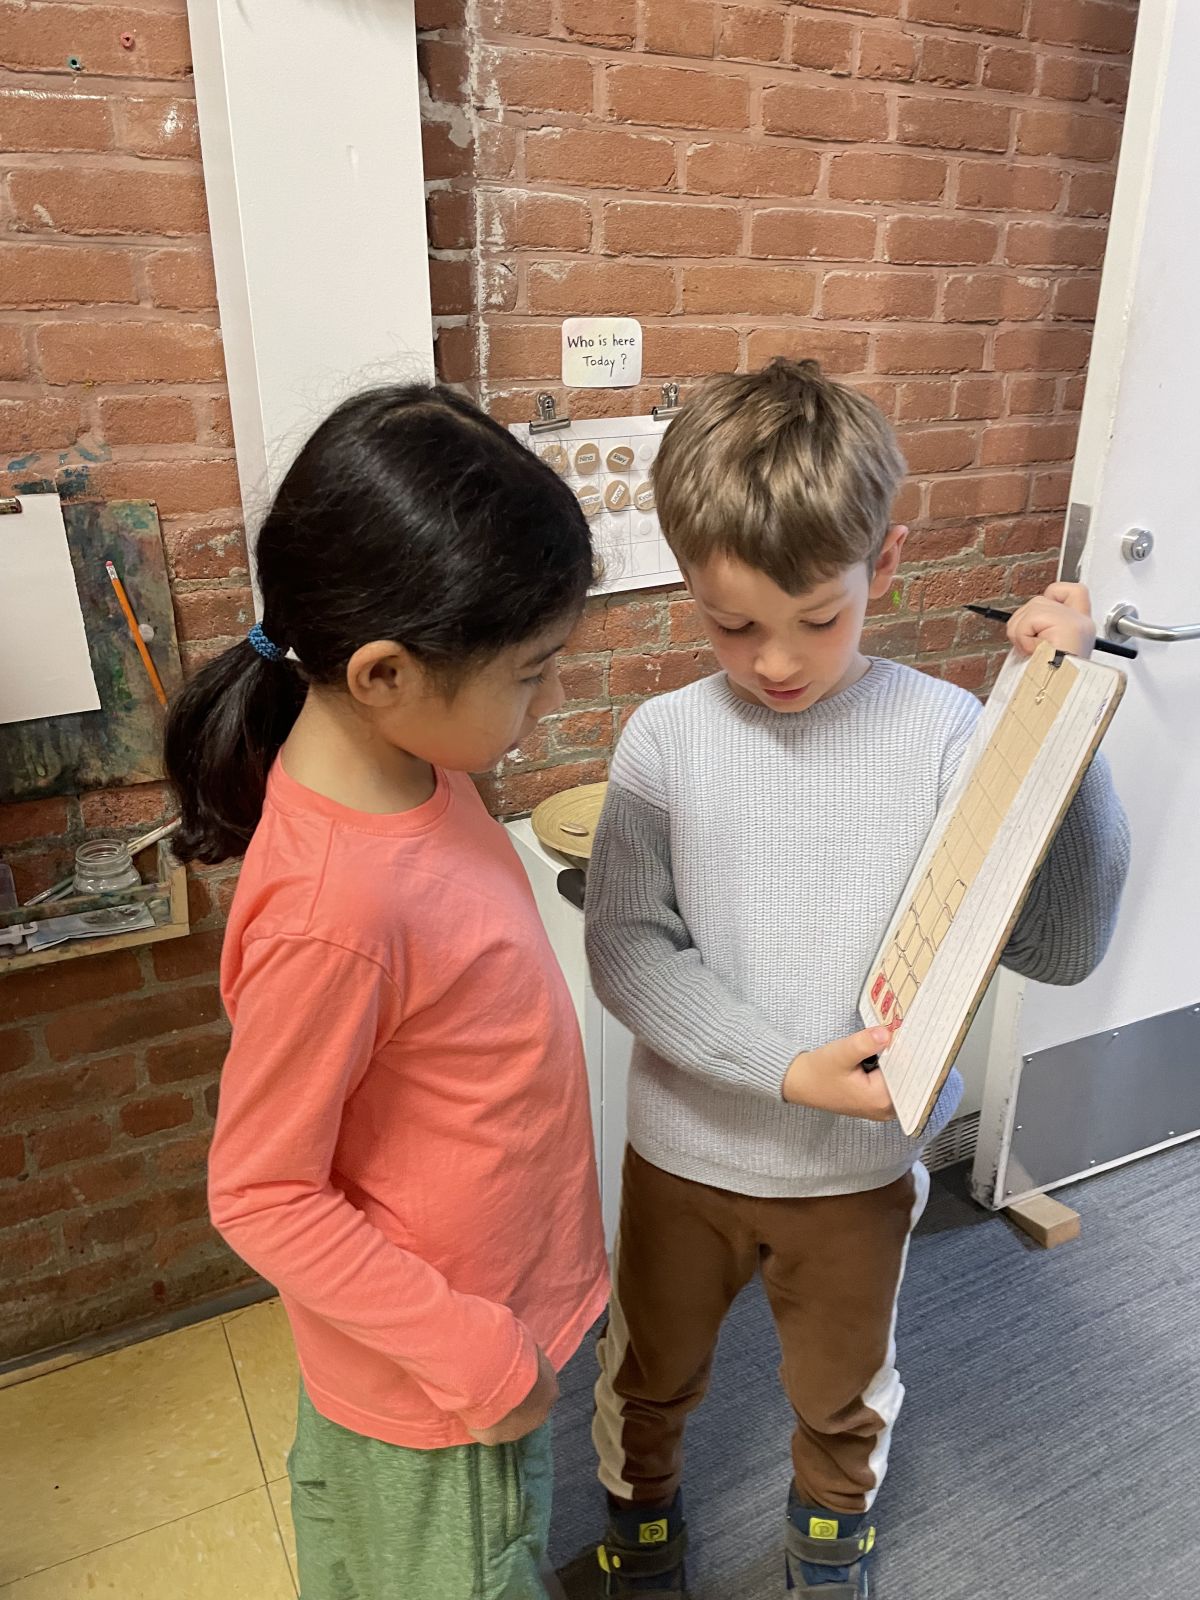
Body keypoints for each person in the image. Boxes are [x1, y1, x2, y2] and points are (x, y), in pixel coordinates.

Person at [573, 359, 1130, 1598]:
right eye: (732, 626)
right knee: (645, 1374)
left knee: (841, 1390)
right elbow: (627, 948)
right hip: (684, 1161)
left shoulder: (942, 734)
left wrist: (1062, 724)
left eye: (817, 619)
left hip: (855, 1173)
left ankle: (828, 1551)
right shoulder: (664, 739)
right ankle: (641, 1538)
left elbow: (1058, 945)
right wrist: (782, 1067)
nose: (775, 661)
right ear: (688, 583)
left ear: (886, 563)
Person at [164, 384, 609, 1600]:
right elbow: (262, 1192)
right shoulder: (336, 909)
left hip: (491, 1329)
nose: (545, 705)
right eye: (531, 674)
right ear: (384, 673)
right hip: (443, 1390)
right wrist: (478, 1355)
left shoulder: (420, 766)